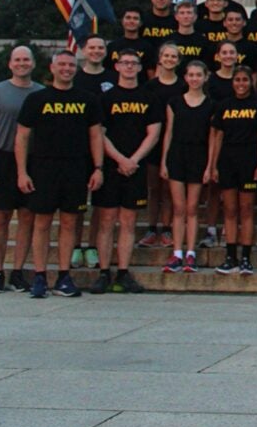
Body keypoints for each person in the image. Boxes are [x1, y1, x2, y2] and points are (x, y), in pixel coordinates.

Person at [14, 50, 105, 298]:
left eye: (71, 65)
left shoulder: (87, 99)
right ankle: (40, 276)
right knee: (41, 223)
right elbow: (22, 136)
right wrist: (22, 172)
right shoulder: (36, 99)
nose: (66, 68)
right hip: (43, 168)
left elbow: (96, 135)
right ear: (52, 68)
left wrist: (98, 168)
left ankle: (64, 276)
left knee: (69, 222)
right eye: (62, 64)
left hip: (76, 168)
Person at [87, 51, 160, 294]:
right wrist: (119, 159)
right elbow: (99, 133)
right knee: (106, 221)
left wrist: (134, 160)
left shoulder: (149, 97)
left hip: (136, 167)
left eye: (134, 63)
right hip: (111, 166)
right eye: (125, 63)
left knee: (128, 222)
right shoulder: (105, 98)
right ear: (117, 66)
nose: (129, 67)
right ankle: (104, 272)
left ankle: (123, 272)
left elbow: (154, 133)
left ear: (140, 67)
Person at [0, 45, 42, 292]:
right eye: (18, 60)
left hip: (32, 159)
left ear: (34, 63)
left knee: (27, 217)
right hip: (3, 157)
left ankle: (18, 270)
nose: (22, 63)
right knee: (1, 216)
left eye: (26, 59)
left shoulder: (41, 93)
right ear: (10, 64)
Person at [207, 66, 257, 276]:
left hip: (249, 162)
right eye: (237, 80)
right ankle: (230, 256)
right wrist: (213, 165)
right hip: (227, 162)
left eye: (244, 80)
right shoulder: (224, 105)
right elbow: (217, 137)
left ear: (251, 82)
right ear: (232, 82)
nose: (241, 84)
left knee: (247, 209)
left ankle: (246, 258)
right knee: (230, 210)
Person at [159, 59, 215, 273]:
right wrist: (164, 160)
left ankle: (190, 253)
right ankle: (177, 253)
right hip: (177, 155)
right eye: (191, 75)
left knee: (192, 208)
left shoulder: (211, 105)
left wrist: (210, 165)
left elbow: (212, 138)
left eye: (198, 75)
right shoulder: (174, 102)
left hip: (198, 156)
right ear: (185, 77)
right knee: (179, 208)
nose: (194, 79)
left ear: (205, 77)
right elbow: (169, 132)